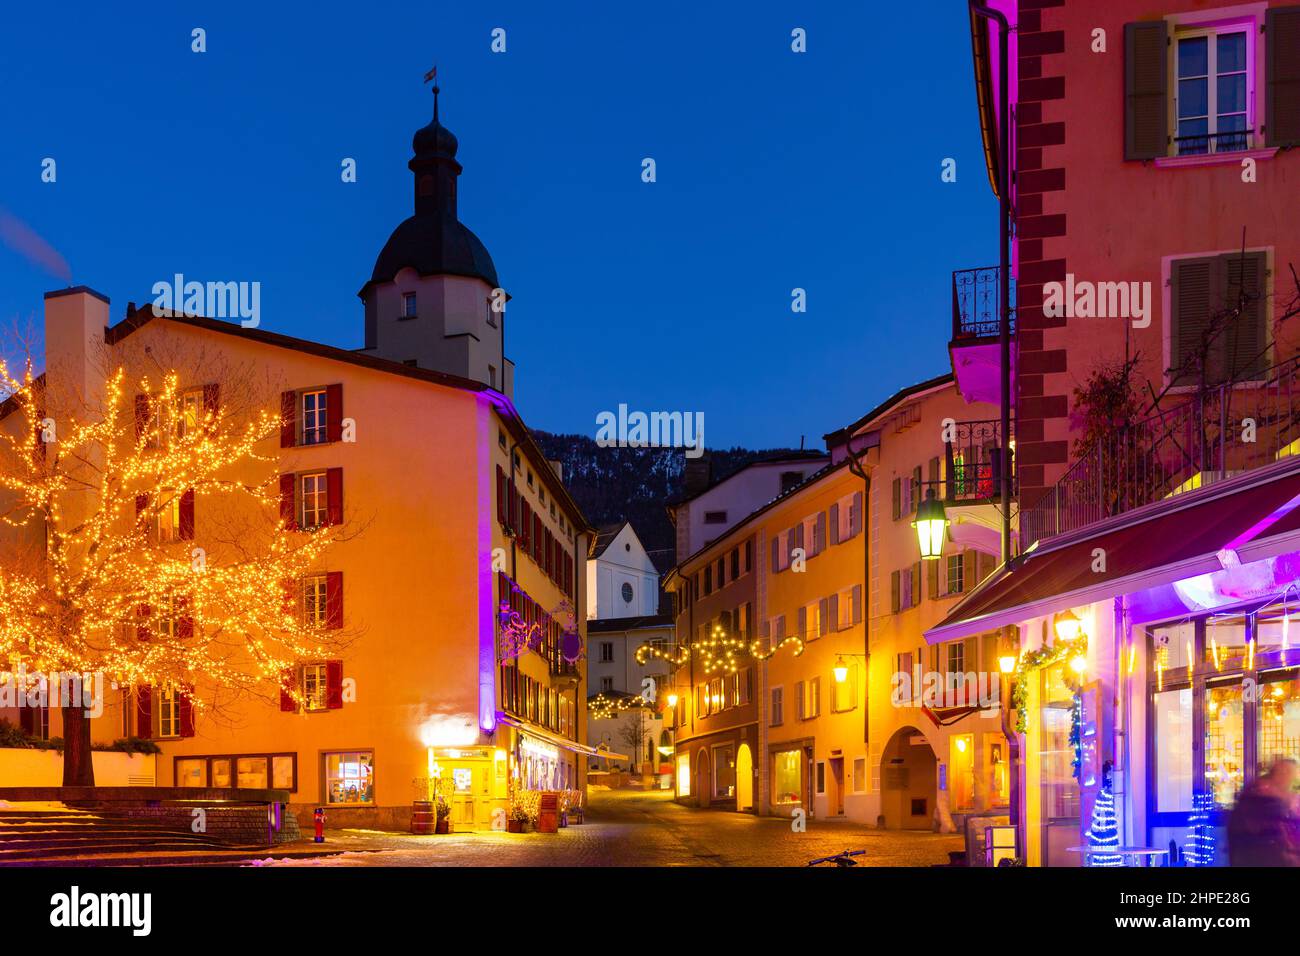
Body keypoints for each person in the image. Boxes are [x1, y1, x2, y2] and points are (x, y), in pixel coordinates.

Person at [1228, 758, 1300, 866]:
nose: (1291, 783)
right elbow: (1269, 840)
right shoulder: (1261, 798)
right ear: (1281, 774)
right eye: (1291, 777)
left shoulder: (1272, 798)